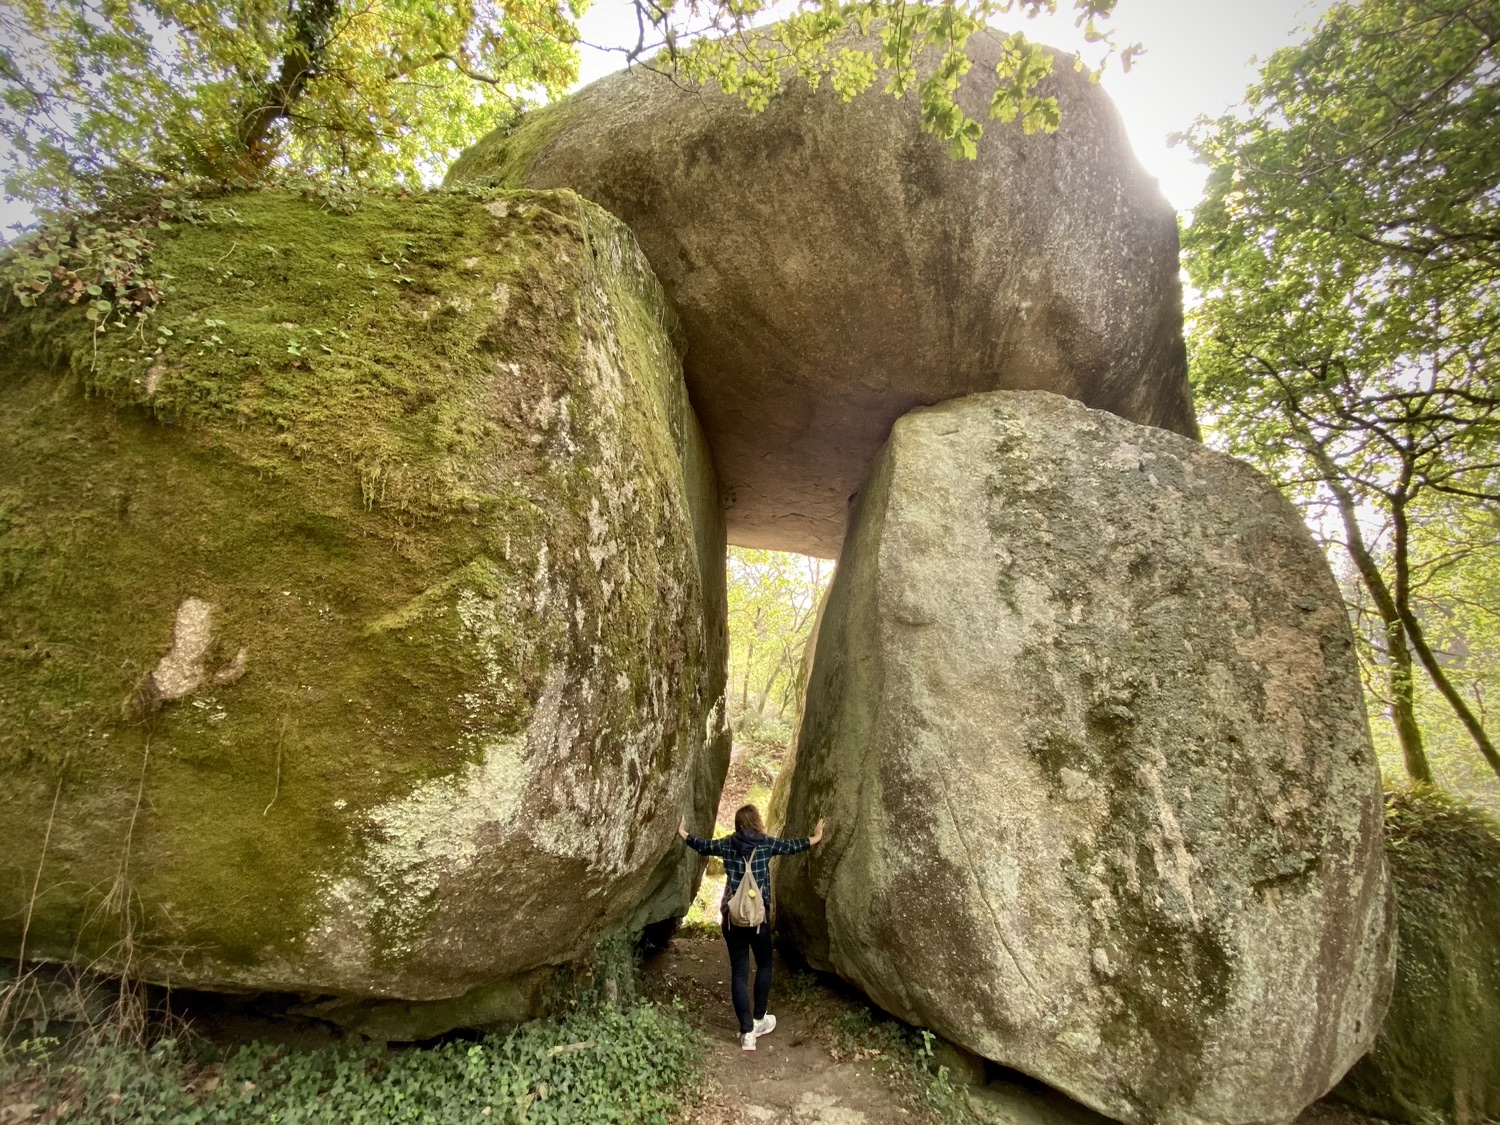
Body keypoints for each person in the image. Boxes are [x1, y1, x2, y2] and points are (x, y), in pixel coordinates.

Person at [678, 805, 826, 1052]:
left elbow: (703, 846)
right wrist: (817, 837)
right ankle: (759, 1019)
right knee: (765, 964)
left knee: (739, 972)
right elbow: (792, 846)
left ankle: (747, 1033)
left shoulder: (727, 844)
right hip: (758, 920)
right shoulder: (766, 844)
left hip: (733, 918)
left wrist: (683, 833)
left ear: (737, 825)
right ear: (756, 822)